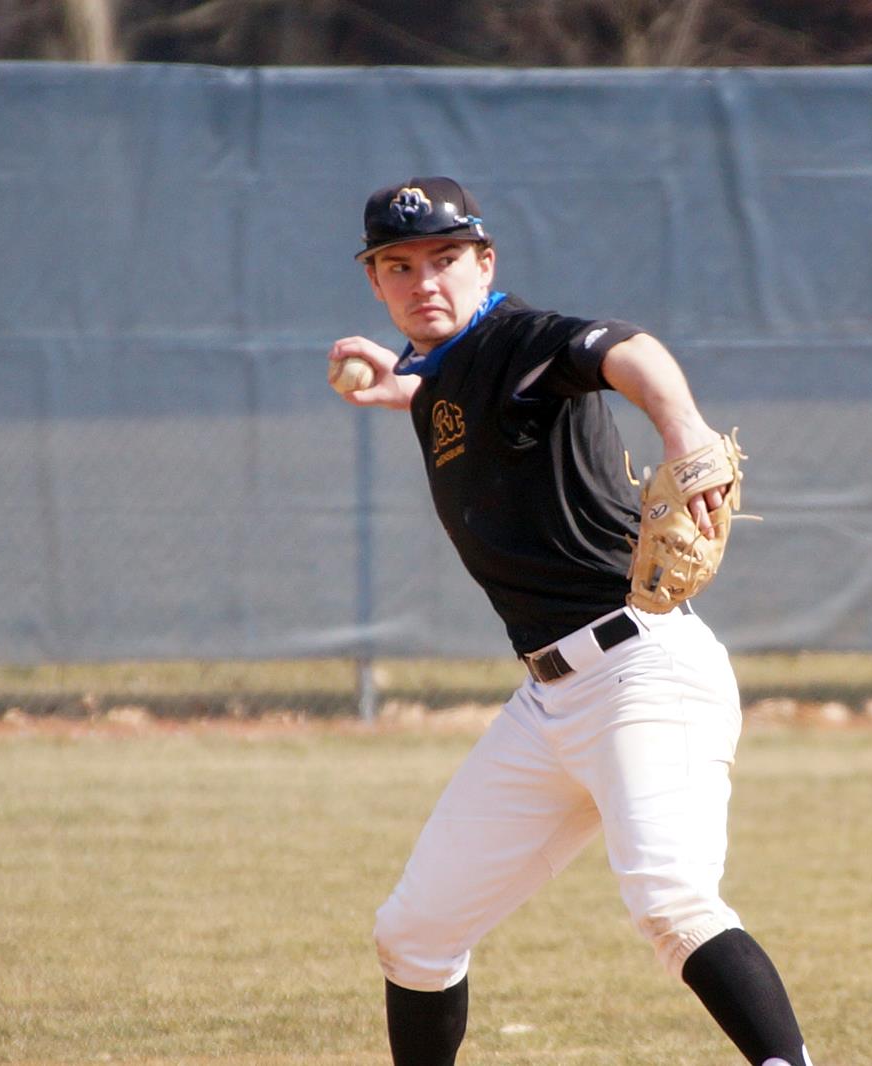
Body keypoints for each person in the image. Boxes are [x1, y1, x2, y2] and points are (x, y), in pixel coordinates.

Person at [328, 175, 812, 1066]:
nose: (425, 280)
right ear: (375, 281)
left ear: (485, 264)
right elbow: (460, 398)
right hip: (549, 701)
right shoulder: (446, 374)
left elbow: (626, 348)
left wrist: (684, 429)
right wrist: (401, 383)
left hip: (642, 674)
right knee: (415, 933)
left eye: (445, 258)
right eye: (400, 265)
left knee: (673, 904)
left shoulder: (518, 340)